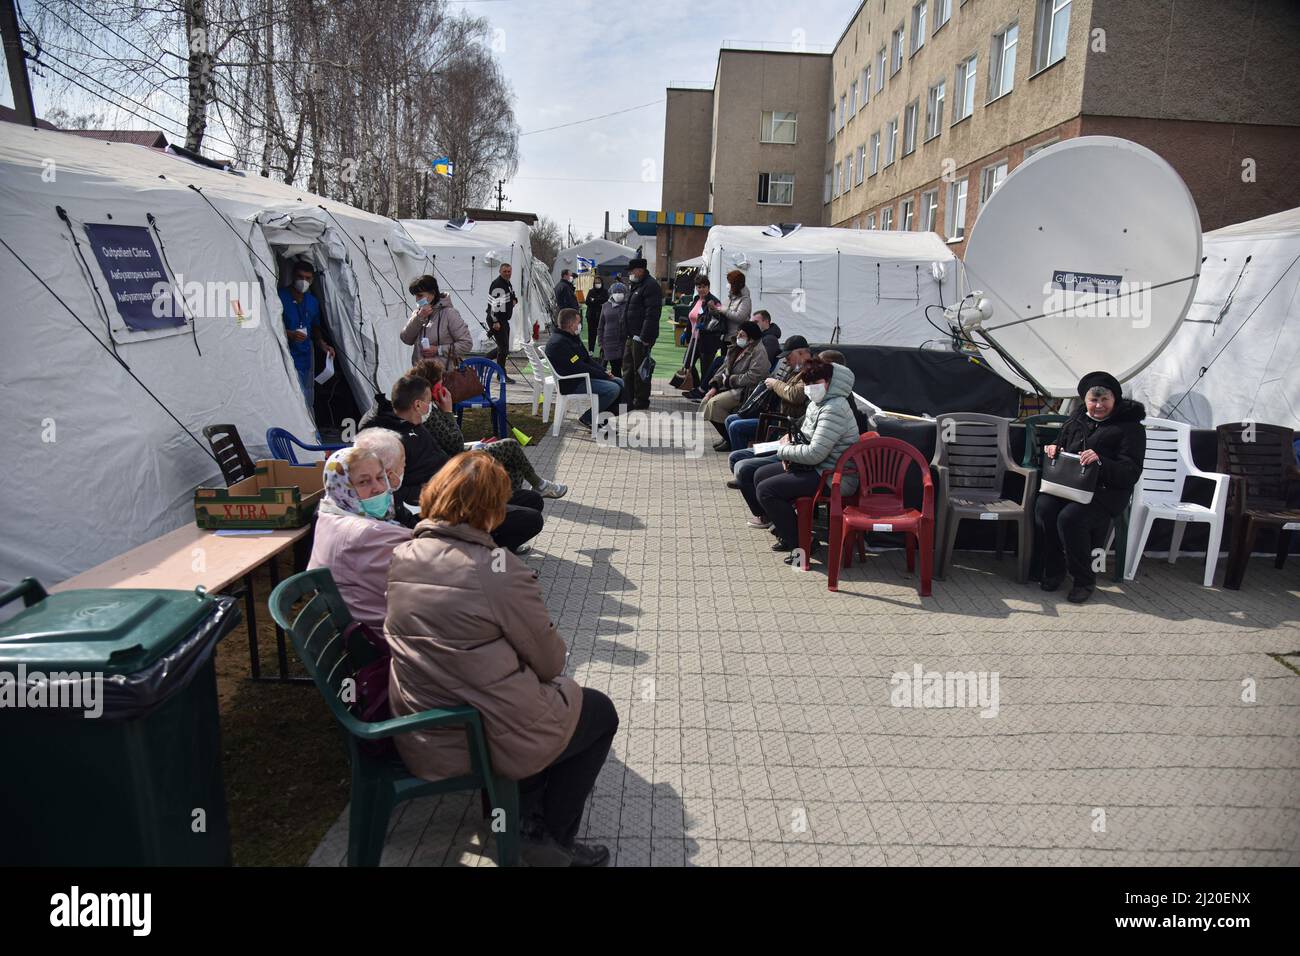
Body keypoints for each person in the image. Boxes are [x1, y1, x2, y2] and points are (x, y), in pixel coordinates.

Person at [384, 453, 619, 867]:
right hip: (472, 734)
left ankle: (523, 817)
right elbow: (550, 661)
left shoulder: (404, 555)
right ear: (494, 509)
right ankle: (553, 839)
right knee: (595, 710)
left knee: (528, 700)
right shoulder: (495, 568)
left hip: (422, 726)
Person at [357, 373, 545, 554]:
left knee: (532, 499)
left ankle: (493, 543)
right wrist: (439, 491)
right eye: (430, 399)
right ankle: (485, 555)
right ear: (418, 404)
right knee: (531, 519)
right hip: (446, 505)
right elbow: (395, 490)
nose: (432, 404)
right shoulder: (391, 443)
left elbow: (451, 449)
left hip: (460, 490)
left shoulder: (414, 425)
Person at [1035, 371, 1146, 604]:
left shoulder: (1130, 428)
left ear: (1115, 400)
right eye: (1093, 400)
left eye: (1104, 400)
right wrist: (1054, 448)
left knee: (1070, 518)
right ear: (1084, 401)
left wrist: (1101, 461)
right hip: (1071, 486)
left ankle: (1083, 580)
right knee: (1045, 508)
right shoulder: (1077, 419)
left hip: (1107, 491)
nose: (1098, 405)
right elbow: (1063, 444)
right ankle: (1054, 570)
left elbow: (1130, 472)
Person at [751, 358, 861, 560]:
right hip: (816, 468)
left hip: (833, 476)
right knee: (759, 475)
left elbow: (815, 453)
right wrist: (790, 441)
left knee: (766, 490)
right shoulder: (820, 403)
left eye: (815, 383)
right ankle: (787, 532)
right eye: (807, 384)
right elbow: (807, 438)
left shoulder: (834, 408)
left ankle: (802, 546)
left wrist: (784, 451)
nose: (810, 388)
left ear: (830, 382)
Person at [408, 359, 567, 498]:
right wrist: (448, 411)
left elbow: (450, 443)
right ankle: (538, 486)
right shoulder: (427, 414)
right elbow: (455, 443)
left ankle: (514, 499)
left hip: (455, 457)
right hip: (454, 465)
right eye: (440, 384)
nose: (443, 387)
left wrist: (472, 444)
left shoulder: (429, 408)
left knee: (513, 460)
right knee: (510, 446)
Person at [307, 432, 410, 634]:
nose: (378, 488)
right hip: (381, 641)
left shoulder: (328, 514)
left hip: (357, 627)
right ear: (341, 487)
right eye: (363, 482)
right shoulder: (368, 533)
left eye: (380, 478)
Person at [723, 335, 813, 476]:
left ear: (801, 353)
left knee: (736, 427)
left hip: (786, 424)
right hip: (780, 419)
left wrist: (775, 384)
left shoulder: (810, 371)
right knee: (732, 420)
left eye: (789, 357)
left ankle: (745, 471)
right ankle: (744, 468)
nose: (787, 361)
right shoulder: (795, 370)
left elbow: (796, 395)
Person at [545, 308, 624, 429]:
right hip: (572, 382)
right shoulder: (559, 343)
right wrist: (603, 376)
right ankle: (587, 418)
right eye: (578, 322)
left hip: (580, 377)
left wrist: (604, 371)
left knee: (620, 382)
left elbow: (587, 359)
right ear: (571, 325)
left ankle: (602, 417)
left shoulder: (571, 337)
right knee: (612, 389)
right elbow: (579, 367)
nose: (580, 325)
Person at [698, 319, 770, 452]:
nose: (738, 337)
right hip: (732, 386)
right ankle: (727, 437)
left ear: (751, 338)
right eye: (738, 334)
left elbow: (754, 376)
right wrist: (714, 385)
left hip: (746, 390)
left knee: (715, 404)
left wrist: (731, 380)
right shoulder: (737, 348)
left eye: (742, 335)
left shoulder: (758, 351)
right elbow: (723, 368)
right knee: (706, 401)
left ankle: (731, 438)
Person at [279, 260, 335, 407]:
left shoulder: (312, 302)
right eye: (300, 277)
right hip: (285, 352)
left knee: (306, 395)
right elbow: (271, 325)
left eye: (307, 278)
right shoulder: (280, 297)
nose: (303, 281)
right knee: (288, 395)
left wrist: (322, 344)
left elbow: (315, 326)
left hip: (305, 353)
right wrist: (289, 334)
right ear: (293, 276)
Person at [400, 275, 472, 367]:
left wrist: (439, 350)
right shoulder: (418, 313)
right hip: (420, 373)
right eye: (416, 296)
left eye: (420, 295)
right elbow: (406, 339)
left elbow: (466, 344)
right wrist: (419, 318)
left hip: (443, 375)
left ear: (433, 293)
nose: (417, 300)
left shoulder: (449, 313)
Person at [620, 257, 663, 410]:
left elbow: (652, 314)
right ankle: (629, 397)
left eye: (632, 271)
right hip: (632, 336)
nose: (630, 274)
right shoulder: (637, 285)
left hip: (641, 337)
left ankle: (641, 400)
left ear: (640, 270)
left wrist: (644, 337)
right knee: (628, 369)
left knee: (641, 371)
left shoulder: (650, 286)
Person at [684, 275, 722, 397]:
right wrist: (686, 332)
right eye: (699, 287)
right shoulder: (696, 300)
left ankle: (703, 391)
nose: (701, 289)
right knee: (687, 362)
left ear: (708, 287)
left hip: (708, 340)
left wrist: (704, 327)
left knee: (706, 368)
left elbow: (717, 321)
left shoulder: (714, 301)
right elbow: (691, 318)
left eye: (704, 287)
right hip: (694, 339)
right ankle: (697, 387)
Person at [487, 263, 518, 383]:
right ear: (500, 271)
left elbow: (512, 296)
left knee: (503, 348)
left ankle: (484, 360)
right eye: (505, 271)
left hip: (504, 320)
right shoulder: (498, 284)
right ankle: (501, 375)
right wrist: (495, 321)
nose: (507, 273)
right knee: (504, 349)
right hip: (497, 320)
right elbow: (493, 305)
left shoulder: (507, 283)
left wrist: (515, 300)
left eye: (509, 271)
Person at [595, 281, 628, 376]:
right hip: (609, 343)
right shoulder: (606, 306)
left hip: (624, 342)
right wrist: (600, 341)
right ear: (612, 293)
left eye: (620, 292)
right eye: (615, 292)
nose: (618, 294)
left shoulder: (628, 305)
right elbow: (601, 325)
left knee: (626, 367)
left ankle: (626, 388)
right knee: (615, 368)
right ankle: (618, 388)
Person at [583, 275, 609, 353]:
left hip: (602, 316)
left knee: (603, 334)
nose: (597, 283)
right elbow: (587, 302)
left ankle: (603, 351)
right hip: (591, 316)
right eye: (596, 282)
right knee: (591, 334)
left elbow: (605, 301)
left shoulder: (605, 291)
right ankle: (591, 350)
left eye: (599, 282)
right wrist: (598, 301)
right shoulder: (591, 291)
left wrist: (594, 300)